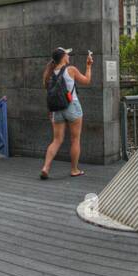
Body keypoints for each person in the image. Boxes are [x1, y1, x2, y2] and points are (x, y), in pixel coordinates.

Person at [38, 47, 94, 180]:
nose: (69, 56)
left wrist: (50, 112)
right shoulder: (71, 70)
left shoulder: (50, 73)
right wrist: (88, 65)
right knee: (75, 139)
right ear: (63, 57)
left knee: (56, 140)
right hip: (72, 106)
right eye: (67, 54)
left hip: (57, 109)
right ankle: (74, 170)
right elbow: (87, 81)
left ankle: (46, 167)